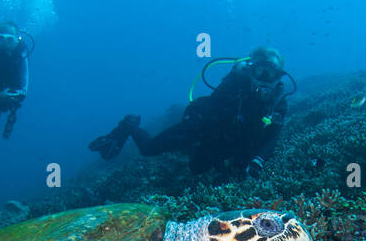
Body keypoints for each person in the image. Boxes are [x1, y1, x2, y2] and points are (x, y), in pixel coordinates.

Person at [88, 46, 292, 178]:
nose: (265, 79)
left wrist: (258, 160)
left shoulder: (278, 100)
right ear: (250, 70)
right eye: (259, 72)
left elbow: (274, 136)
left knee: (233, 167)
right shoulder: (235, 84)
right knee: (150, 149)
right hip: (203, 126)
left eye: (271, 74)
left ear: (279, 77)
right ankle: (130, 125)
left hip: (234, 138)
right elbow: (215, 113)